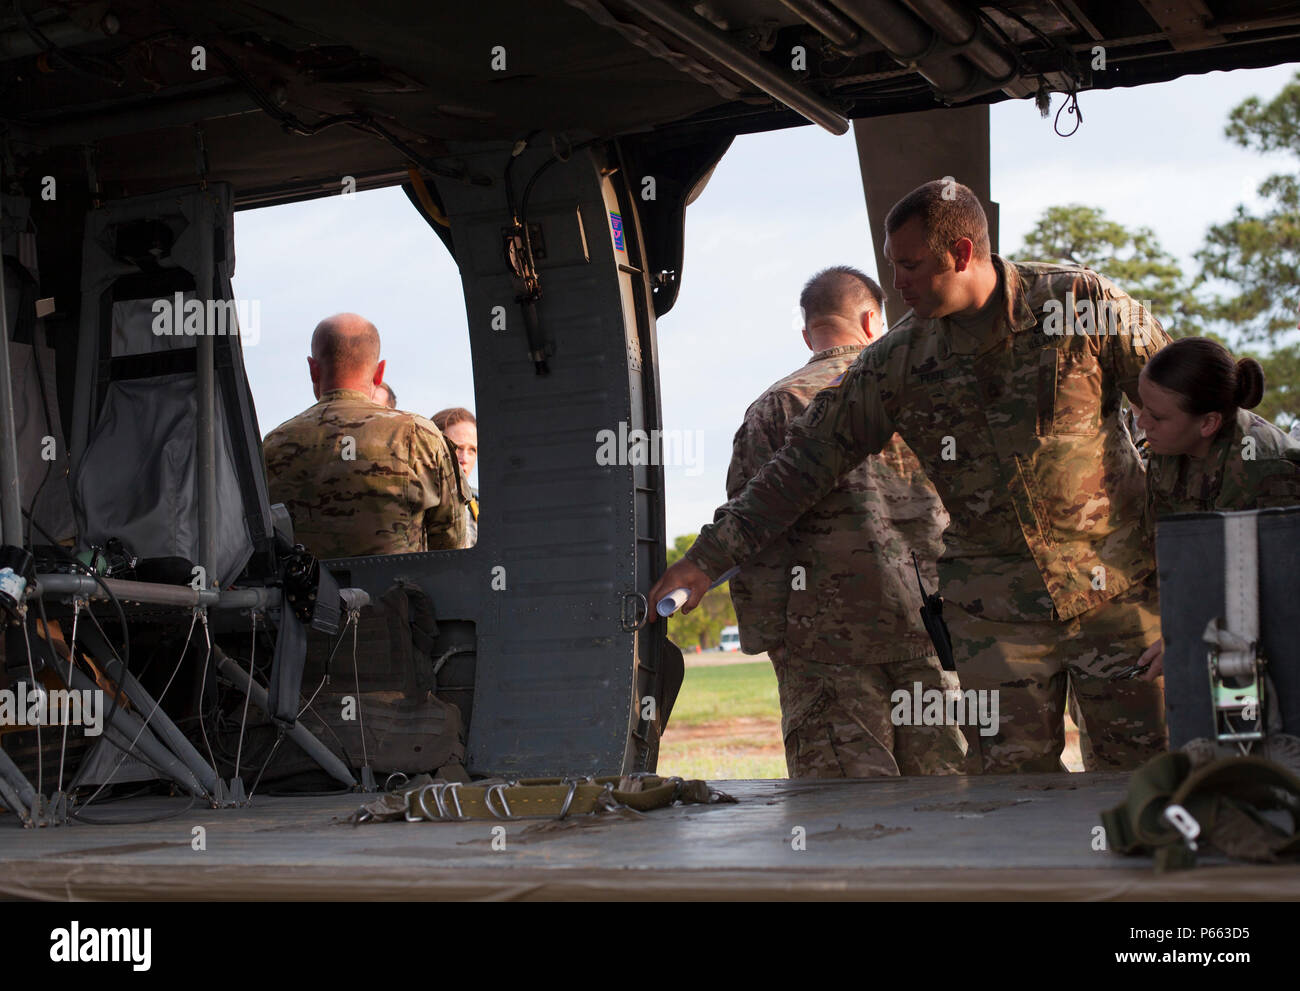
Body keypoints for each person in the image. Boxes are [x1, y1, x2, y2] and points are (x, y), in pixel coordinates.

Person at [649, 179, 1173, 774]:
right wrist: (706, 560)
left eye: (911, 266)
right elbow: (800, 466)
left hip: (1117, 595)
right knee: (1011, 792)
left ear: (963, 254)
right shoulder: (897, 361)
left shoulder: (1080, 303)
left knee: (1147, 775)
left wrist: (1198, 576)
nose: (897, 285)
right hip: (995, 617)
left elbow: (1185, 414)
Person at [727, 266, 964, 778]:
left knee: (845, 814)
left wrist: (775, 640)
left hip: (826, 649)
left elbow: (754, 534)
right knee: (949, 797)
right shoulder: (926, 390)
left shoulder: (775, 407)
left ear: (808, 333)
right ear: (872, 320)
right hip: (936, 630)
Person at [1136, 337, 1300, 680]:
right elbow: (1175, 550)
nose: (1141, 424)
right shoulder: (1166, 447)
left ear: (1208, 423)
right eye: (1141, 408)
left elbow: (1276, 585)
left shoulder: (1265, 466)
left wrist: (1192, 632)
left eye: (1156, 417)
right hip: (1215, 620)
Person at [263, 313, 467, 557]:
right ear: (379, 373)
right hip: (397, 593)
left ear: (313, 369)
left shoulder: (274, 444)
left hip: (305, 595)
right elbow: (451, 549)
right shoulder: (420, 436)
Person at [432, 407, 479, 548]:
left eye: (472, 450)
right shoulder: (419, 503)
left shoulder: (480, 504)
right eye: (456, 448)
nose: (464, 458)